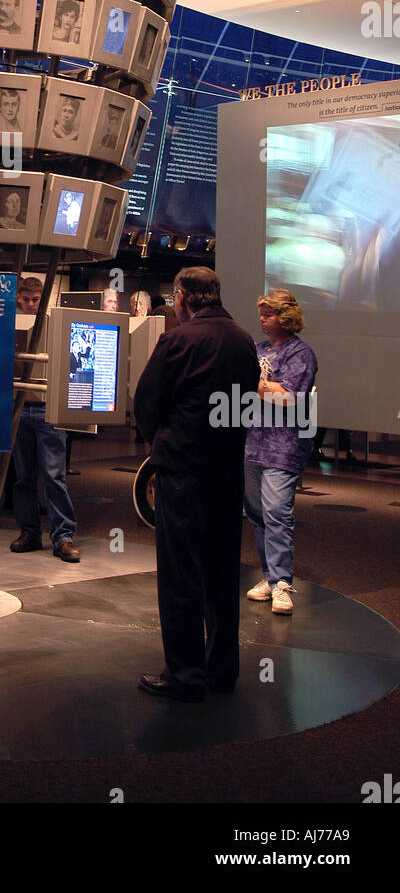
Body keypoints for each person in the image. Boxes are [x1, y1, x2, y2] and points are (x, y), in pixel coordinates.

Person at [133, 267, 261, 701]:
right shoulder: (245, 341)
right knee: (222, 573)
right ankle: (222, 671)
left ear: (183, 297)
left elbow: (147, 402)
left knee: (181, 573)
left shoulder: (178, 340)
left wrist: (161, 442)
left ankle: (185, 676)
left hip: (183, 473)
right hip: (228, 473)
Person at [244, 289, 318, 616]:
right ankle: (269, 576)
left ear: (285, 317)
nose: (262, 319)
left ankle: (283, 583)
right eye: (261, 313)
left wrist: (251, 382)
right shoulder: (256, 349)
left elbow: (289, 396)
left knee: (276, 513)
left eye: (268, 314)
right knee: (257, 514)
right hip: (251, 442)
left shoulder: (301, 353)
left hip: (283, 445)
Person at [10, 277, 80, 562]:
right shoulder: (11, 324)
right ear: (19, 298)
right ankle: (30, 532)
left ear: (43, 299)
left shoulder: (56, 326)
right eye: (26, 299)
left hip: (47, 406)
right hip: (18, 405)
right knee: (23, 476)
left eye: (35, 300)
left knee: (54, 476)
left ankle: (63, 536)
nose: (29, 305)